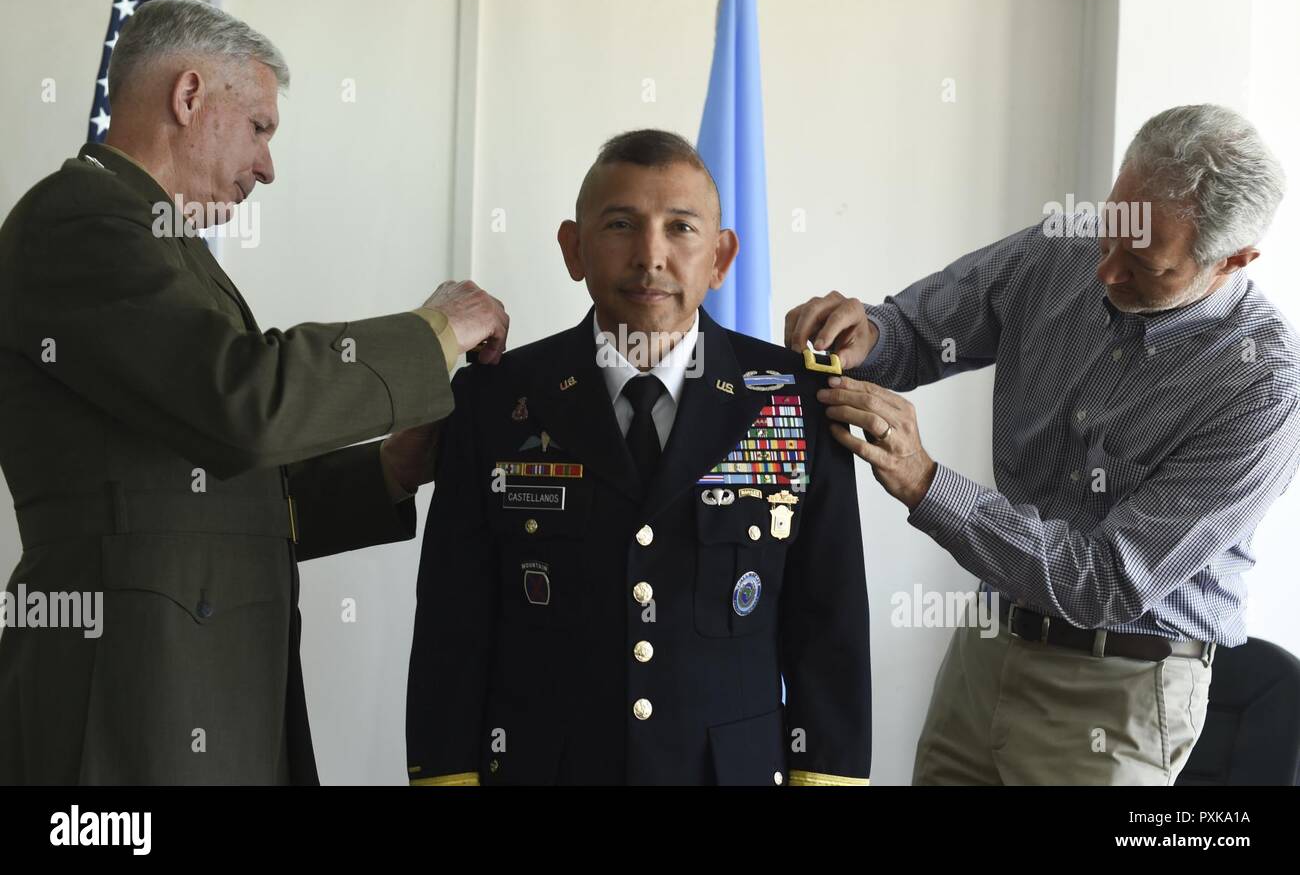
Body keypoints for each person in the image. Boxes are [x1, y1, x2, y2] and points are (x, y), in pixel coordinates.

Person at [0, 0, 509, 784]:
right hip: (130, 711)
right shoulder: (81, 219)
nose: (268, 165)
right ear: (189, 95)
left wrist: (387, 471)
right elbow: (244, 402)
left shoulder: (159, 242)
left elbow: (213, 492)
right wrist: (434, 331)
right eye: (261, 127)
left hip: (198, 695)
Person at [786, 104, 1300, 784]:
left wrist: (925, 481)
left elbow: (1106, 580)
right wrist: (868, 334)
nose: (1104, 270)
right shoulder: (1066, 244)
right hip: (987, 652)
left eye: (1142, 264)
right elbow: (916, 330)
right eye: (1109, 229)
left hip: (1117, 692)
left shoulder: (1260, 389)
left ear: (1234, 260)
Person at [406, 130, 871, 785]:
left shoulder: (794, 401)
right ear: (574, 248)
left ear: (721, 256)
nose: (650, 256)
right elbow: (454, 624)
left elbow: (830, 626)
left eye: (681, 227)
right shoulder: (497, 399)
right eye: (620, 224)